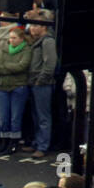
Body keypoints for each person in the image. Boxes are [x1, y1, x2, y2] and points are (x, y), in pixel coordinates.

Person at [0, 26, 32, 156]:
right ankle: (4, 142)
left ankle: (14, 143)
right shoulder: (4, 49)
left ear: (21, 39)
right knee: (3, 117)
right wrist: (11, 68)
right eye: (10, 38)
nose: (11, 40)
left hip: (19, 87)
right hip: (3, 86)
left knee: (15, 117)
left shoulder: (27, 50)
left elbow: (23, 66)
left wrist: (7, 67)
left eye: (14, 38)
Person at [24, 11, 57, 156]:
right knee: (36, 115)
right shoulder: (35, 42)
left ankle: (43, 146)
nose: (32, 28)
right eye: (31, 25)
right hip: (33, 82)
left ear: (43, 27)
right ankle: (37, 142)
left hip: (43, 83)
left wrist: (41, 80)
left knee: (43, 116)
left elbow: (50, 63)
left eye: (35, 25)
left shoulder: (47, 41)